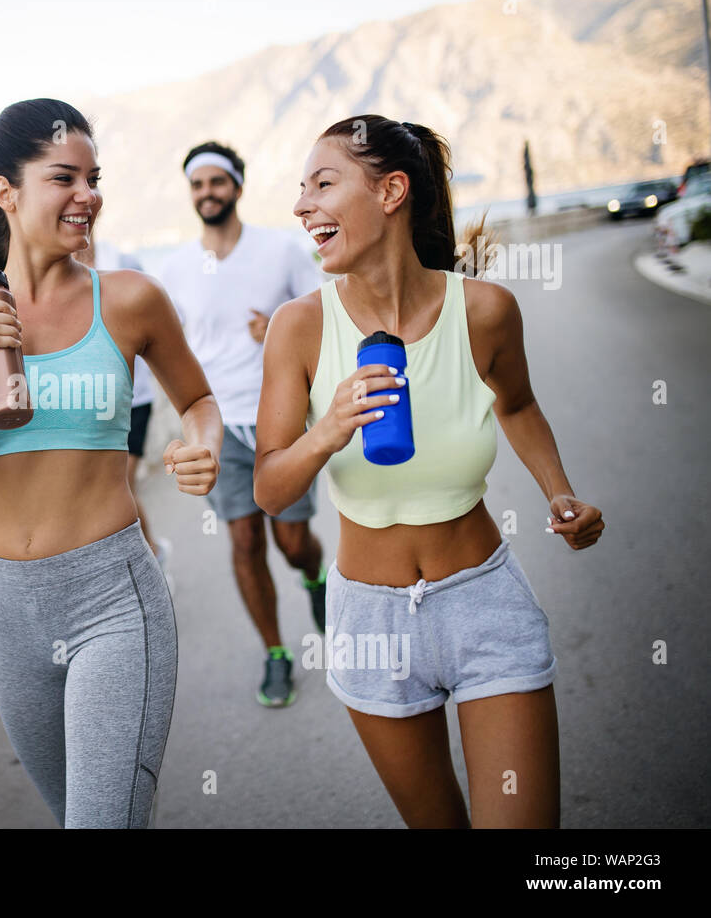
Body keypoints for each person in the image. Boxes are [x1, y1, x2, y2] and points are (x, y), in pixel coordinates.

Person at [257, 114, 604, 827]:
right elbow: (271, 487)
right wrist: (326, 432)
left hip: (485, 603)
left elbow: (519, 405)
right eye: (301, 189)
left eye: (323, 184)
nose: (301, 206)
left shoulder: (484, 313)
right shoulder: (300, 327)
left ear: (391, 191)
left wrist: (560, 491)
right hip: (370, 620)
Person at [0, 98, 222, 828]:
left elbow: (199, 399)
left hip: (113, 596)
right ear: (6, 193)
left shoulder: (131, 301)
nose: (89, 196)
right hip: (6, 607)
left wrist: (202, 442)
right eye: (64, 179)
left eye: (94, 178)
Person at [158, 141, 328, 708]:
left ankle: (314, 576)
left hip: (281, 417)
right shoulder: (176, 270)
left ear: (237, 186)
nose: (207, 192)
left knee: (292, 538)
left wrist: (279, 327)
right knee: (244, 537)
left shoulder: (279, 250)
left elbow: (326, 314)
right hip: (219, 423)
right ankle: (276, 653)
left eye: (216, 182)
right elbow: (166, 350)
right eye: (197, 185)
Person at [74, 232, 174, 592]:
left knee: (124, 485)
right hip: (94, 400)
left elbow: (152, 323)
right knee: (111, 489)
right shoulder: (60, 268)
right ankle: (146, 556)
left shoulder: (122, 262)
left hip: (135, 396)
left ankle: (150, 560)